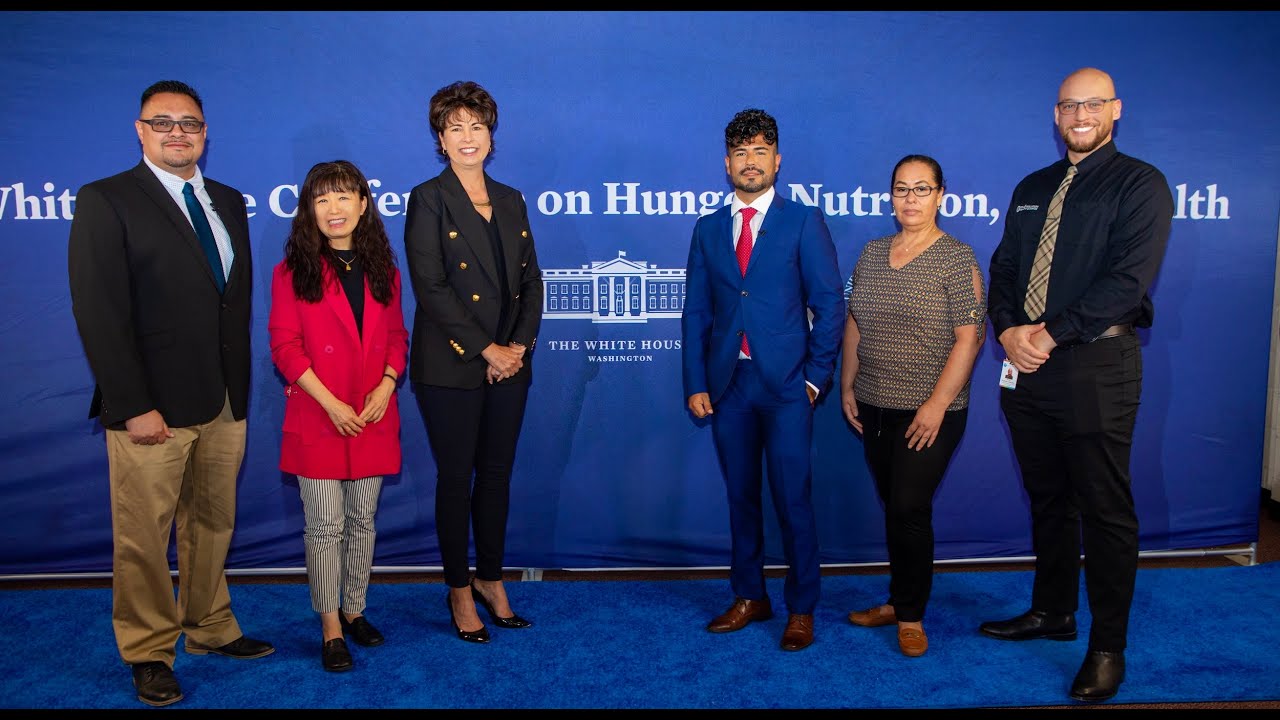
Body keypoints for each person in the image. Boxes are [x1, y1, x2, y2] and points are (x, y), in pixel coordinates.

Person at [67, 80, 273, 708]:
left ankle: (209, 626)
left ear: (205, 133)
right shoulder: (107, 199)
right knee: (143, 537)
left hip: (223, 400)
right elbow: (99, 311)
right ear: (140, 130)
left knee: (212, 523)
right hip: (150, 406)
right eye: (163, 122)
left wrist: (237, 393)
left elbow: (227, 304)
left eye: (190, 123)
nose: (177, 132)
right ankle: (149, 651)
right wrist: (132, 404)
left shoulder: (227, 201)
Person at [983, 67, 1173, 703]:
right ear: (1056, 114)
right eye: (1069, 106)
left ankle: (1107, 647)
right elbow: (1005, 267)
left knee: (1105, 511)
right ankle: (1053, 611)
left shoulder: (1140, 184)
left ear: (1116, 109)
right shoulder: (1033, 186)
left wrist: (1049, 334)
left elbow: (1126, 282)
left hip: (1096, 364)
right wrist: (1009, 330)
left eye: (1093, 104)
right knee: (1048, 500)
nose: (1080, 115)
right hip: (1026, 368)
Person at [681, 107, 845, 652]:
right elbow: (696, 312)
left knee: (793, 500)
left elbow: (829, 304)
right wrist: (696, 382)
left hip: (788, 388)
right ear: (726, 164)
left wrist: (815, 380)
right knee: (741, 498)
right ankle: (750, 595)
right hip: (730, 387)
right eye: (740, 153)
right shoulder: (708, 229)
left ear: (777, 160)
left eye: (759, 152)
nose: (749, 162)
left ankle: (802, 607)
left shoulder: (802, 221)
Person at [403, 80, 543, 644]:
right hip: (451, 364)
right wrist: (487, 349)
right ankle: (459, 589)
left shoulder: (511, 199)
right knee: (457, 479)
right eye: (455, 127)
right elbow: (431, 287)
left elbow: (531, 282)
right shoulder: (428, 198)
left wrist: (517, 349)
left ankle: (491, 578)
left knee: (497, 477)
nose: (467, 136)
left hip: (510, 363)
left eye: (477, 126)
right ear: (440, 139)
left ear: (491, 134)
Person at [840, 154, 986, 658]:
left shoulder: (957, 258)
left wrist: (937, 405)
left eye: (922, 189)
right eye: (902, 188)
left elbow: (970, 338)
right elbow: (855, 322)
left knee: (909, 507)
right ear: (891, 196)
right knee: (894, 506)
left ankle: (911, 615)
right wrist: (847, 385)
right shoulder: (871, 253)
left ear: (940, 195)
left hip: (930, 411)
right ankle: (897, 598)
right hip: (873, 403)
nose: (910, 198)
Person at [267, 160, 409, 672]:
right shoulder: (291, 272)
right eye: (322, 198)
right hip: (319, 415)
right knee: (325, 527)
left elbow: (397, 337)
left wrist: (387, 384)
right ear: (309, 209)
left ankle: (355, 609)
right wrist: (330, 403)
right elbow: (285, 347)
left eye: (344, 196)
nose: (334, 208)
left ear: (363, 205)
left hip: (372, 413)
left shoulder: (384, 270)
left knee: (362, 522)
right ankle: (330, 628)